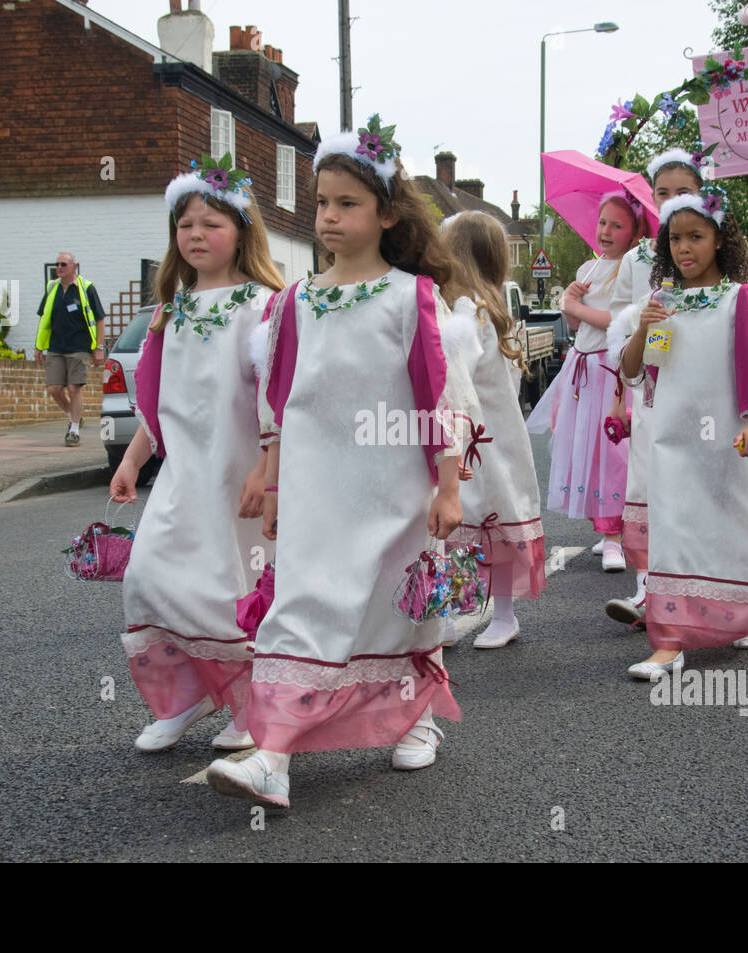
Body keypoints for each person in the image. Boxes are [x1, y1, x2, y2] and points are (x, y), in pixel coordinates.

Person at [206, 115, 480, 809]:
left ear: (388, 214)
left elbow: (439, 390)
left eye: (346, 204)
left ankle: (415, 715)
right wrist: (268, 475)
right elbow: (280, 395)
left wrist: (448, 486)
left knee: (396, 608)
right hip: (317, 487)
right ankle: (273, 755)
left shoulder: (410, 297)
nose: (328, 216)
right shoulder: (295, 302)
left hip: (393, 488)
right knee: (302, 605)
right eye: (322, 202)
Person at [109, 157, 284, 753]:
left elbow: (275, 397)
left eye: (211, 223)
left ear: (241, 231)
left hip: (239, 477)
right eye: (185, 225)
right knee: (149, 578)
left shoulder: (262, 305)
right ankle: (181, 697)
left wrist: (267, 469)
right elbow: (160, 402)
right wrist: (133, 460)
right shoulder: (172, 309)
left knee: (229, 595)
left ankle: (248, 705)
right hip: (183, 477)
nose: (196, 235)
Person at [617, 185, 748, 679]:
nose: (683, 248)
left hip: (730, 442)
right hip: (672, 443)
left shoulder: (745, 300)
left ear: (720, 239)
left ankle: (744, 613)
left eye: (695, 236)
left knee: (734, 529)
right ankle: (669, 641)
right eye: (674, 239)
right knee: (673, 534)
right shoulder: (662, 303)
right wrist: (641, 328)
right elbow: (637, 372)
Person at [441, 211, 547, 649]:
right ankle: (461, 614)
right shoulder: (487, 310)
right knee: (470, 525)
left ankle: (500, 615)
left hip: (481, 441)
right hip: (491, 439)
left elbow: (454, 375)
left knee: (483, 523)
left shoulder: (469, 313)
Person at [604, 148, 700, 621]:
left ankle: (715, 594)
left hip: (701, 389)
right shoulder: (637, 258)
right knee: (646, 483)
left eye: (682, 192)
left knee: (697, 488)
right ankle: (647, 590)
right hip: (649, 388)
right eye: (661, 193)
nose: (670, 201)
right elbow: (620, 328)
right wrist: (622, 393)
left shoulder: (710, 248)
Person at [526, 192, 643, 572]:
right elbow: (580, 326)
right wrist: (572, 307)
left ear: (634, 233)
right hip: (582, 370)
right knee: (588, 451)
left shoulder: (631, 267)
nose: (606, 231)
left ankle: (615, 536)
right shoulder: (588, 269)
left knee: (613, 451)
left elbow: (621, 321)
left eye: (617, 225)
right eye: (603, 223)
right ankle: (605, 526)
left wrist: (576, 308)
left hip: (610, 370)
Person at [35, 252, 105, 446]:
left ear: (74, 267)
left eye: (63, 264)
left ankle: (74, 431)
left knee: (74, 388)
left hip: (79, 347)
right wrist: (38, 347)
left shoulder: (86, 288)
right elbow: (44, 320)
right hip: (56, 347)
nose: (59, 267)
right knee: (54, 389)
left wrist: (99, 347)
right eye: (57, 264)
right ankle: (73, 415)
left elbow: (99, 319)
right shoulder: (52, 289)